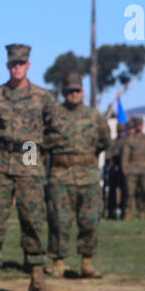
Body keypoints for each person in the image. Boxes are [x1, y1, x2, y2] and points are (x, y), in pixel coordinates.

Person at [0, 43, 58, 291]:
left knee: (32, 219)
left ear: (28, 66)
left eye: (21, 63)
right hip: (0, 161)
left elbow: (57, 129)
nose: (17, 67)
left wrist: (41, 148)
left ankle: (37, 276)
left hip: (29, 156)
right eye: (13, 63)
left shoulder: (43, 97)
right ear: (8, 65)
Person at [46, 72, 110, 278]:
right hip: (60, 175)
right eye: (69, 91)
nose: (73, 94)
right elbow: (43, 143)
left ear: (82, 92)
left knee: (90, 220)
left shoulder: (95, 117)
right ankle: (58, 261)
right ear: (64, 93)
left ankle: (87, 262)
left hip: (88, 176)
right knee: (59, 220)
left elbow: (104, 142)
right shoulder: (54, 116)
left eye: (77, 90)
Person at [122, 117, 145, 219]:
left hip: (144, 167)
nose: (139, 126)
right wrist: (124, 166)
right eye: (137, 125)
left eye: (140, 125)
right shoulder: (130, 139)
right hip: (132, 167)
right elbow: (125, 155)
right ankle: (128, 212)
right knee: (130, 192)